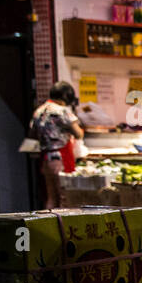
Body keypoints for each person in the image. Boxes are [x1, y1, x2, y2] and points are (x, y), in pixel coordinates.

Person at [29, 81, 84, 209]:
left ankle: (50, 225)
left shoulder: (38, 111)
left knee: (51, 197)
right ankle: (64, 227)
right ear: (65, 96)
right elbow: (78, 134)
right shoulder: (62, 111)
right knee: (64, 197)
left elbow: (32, 134)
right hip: (61, 157)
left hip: (45, 159)